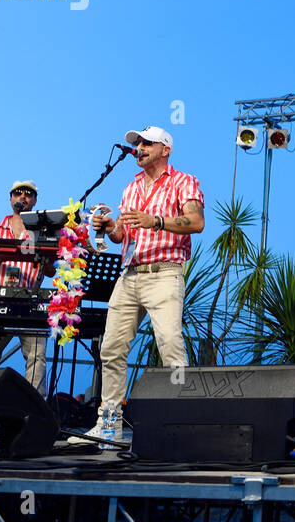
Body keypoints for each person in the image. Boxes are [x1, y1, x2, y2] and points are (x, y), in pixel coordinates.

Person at [74, 125, 204, 442]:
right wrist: (107, 226)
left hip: (164, 272)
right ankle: (109, 425)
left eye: (147, 143)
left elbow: (196, 223)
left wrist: (156, 221)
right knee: (112, 349)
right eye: (138, 143)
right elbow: (122, 235)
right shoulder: (131, 188)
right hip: (130, 273)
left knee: (171, 348)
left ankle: (179, 425)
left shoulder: (183, 182)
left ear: (165, 150)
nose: (140, 147)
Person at [0, 180, 49, 393]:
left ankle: (35, 408)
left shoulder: (42, 232)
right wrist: (8, 252)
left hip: (30, 303)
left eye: (28, 194)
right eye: (18, 193)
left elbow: (52, 269)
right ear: (10, 198)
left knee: (37, 357)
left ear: (35, 200)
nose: (22, 197)